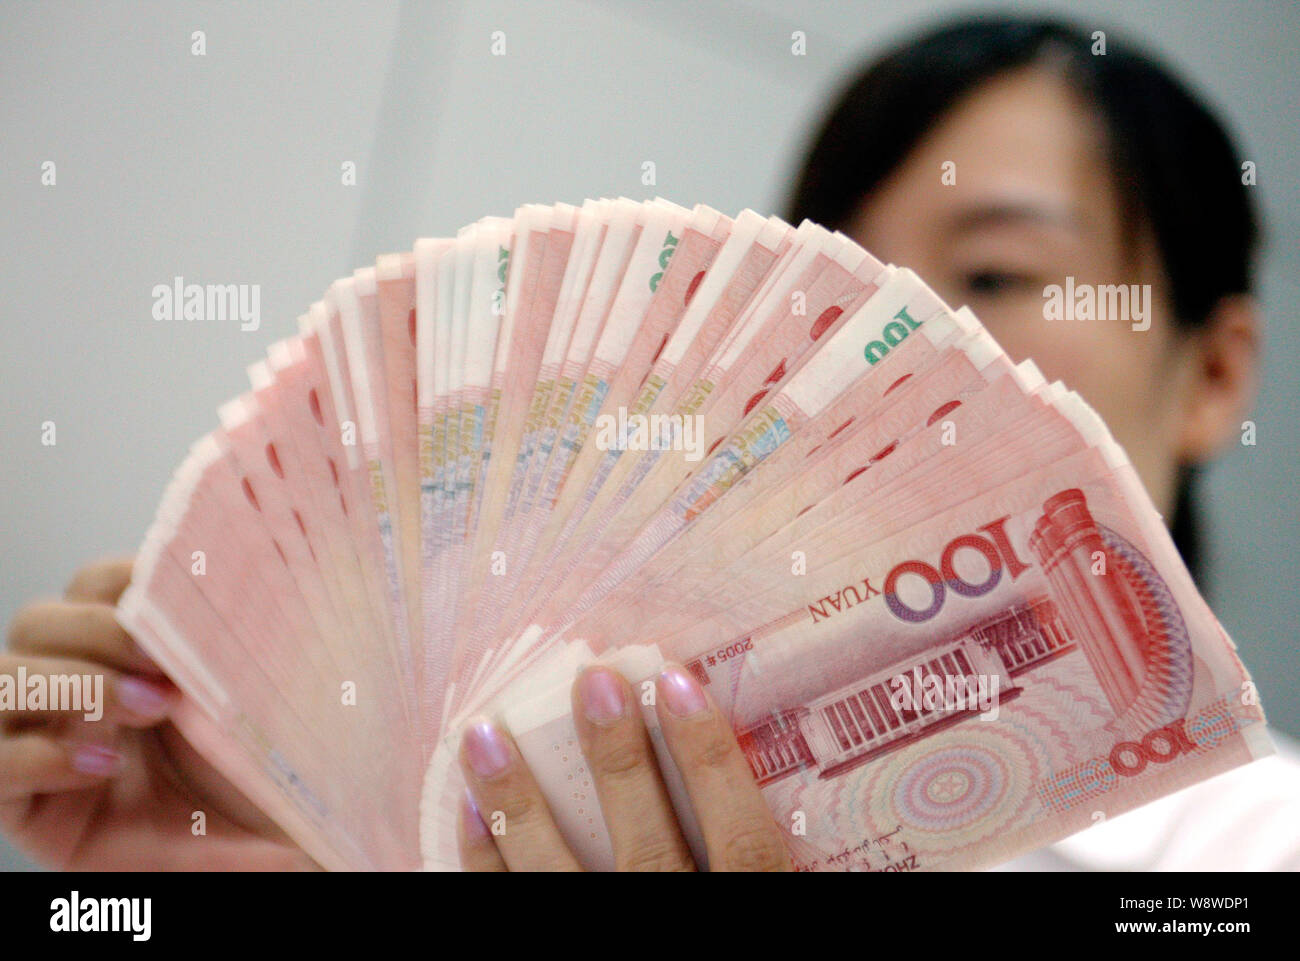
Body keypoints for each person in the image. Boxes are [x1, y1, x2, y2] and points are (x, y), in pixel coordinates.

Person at [4, 15, 1297, 872]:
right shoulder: (529, 770)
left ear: (1214, 370)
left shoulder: (1256, 847)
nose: (891, 350)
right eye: (837, 292)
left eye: (996, 276)